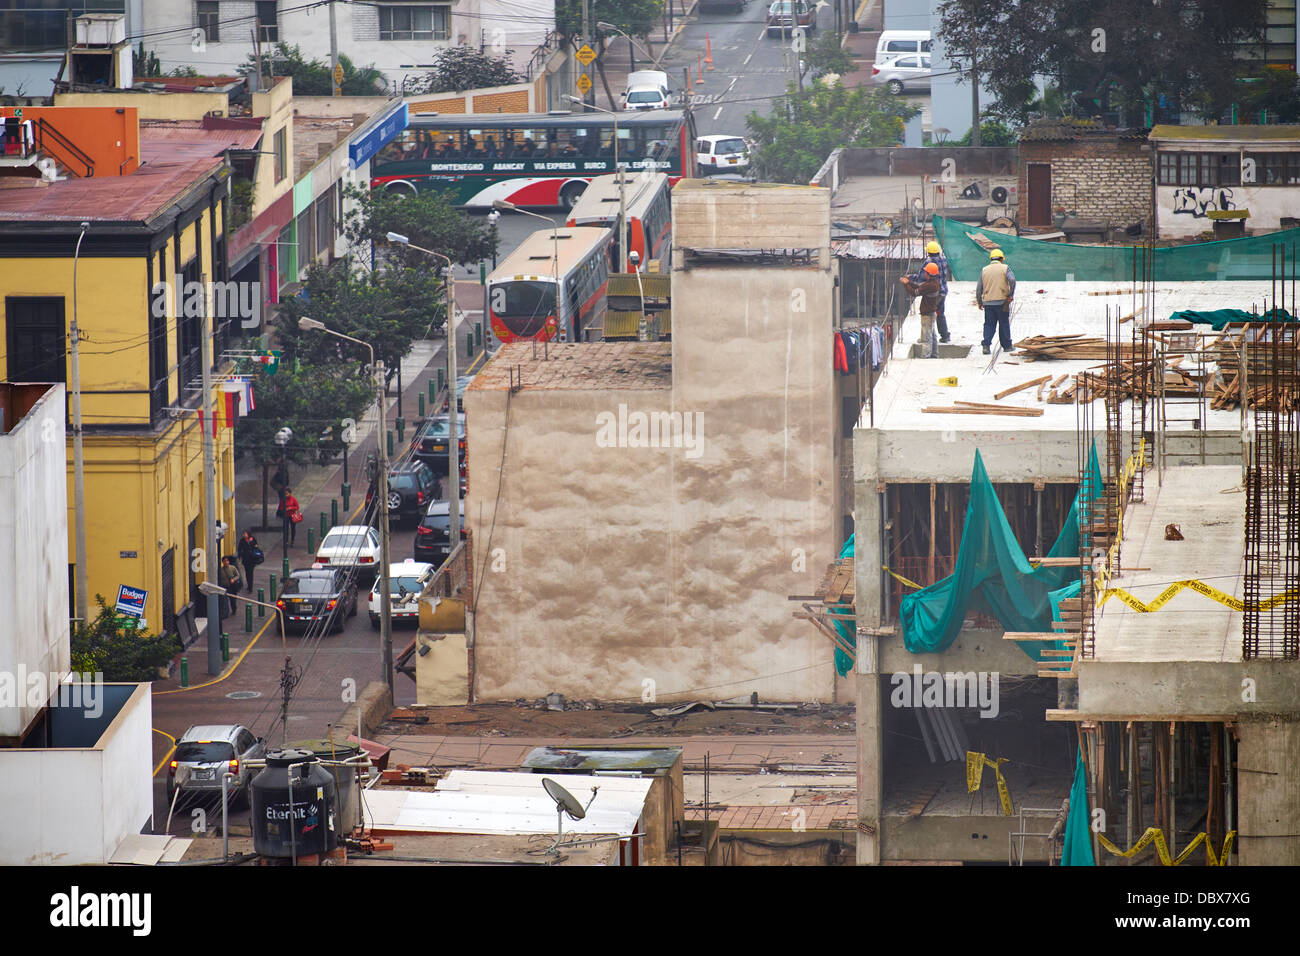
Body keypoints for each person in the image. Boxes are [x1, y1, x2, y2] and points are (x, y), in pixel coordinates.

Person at [976, 248, 1017, 355]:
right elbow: (1012, 280)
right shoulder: (1005, 268)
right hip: (1002, 302)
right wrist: (1011, 295)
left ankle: (986, 345)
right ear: (1001, 259)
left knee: (989, 324)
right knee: (1004, 323)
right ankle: (1007, 346)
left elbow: (979, 287)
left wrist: (980, 302)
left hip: (988, 303)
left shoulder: (984, 269)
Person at [900, 261, 943, 358]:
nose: (924, 274)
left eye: (926, 272)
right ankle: (934, 354)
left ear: (929, 274)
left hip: (927, 314)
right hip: (931, 312)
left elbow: (915, 292)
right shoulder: (933, 283)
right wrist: (909, 282)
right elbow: (920, 287)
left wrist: (906, 284)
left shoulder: (930, 285)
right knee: (932, 334)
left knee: (926, 337)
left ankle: (926, 356)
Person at [924, 240, 951, 343]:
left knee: (928, 313)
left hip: (934, 293)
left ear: (929, 252)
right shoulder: (943, 260)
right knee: (940, 313)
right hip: (943, 292)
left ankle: (928, 337)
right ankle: (945, 335)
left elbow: (922, 276)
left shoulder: (929, 262)